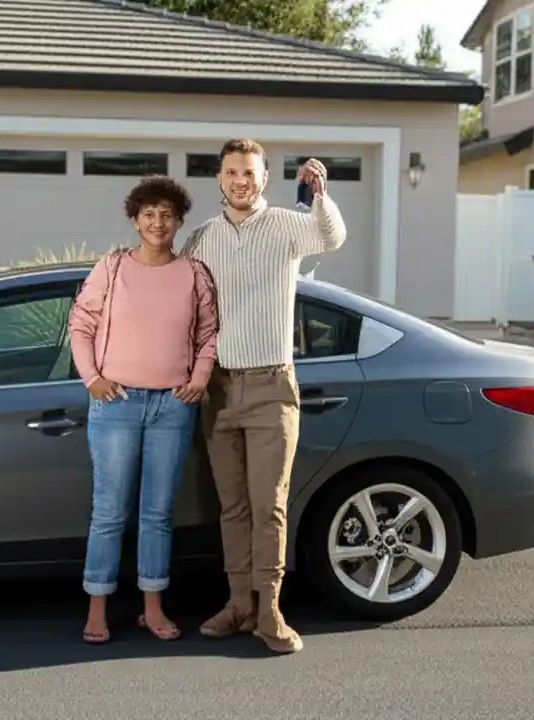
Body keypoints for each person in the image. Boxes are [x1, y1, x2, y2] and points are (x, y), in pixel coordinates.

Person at [181, 139, 347, 654]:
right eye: (232, 172)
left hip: (272, 386)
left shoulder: (286, 226)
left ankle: (270, 610)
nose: (240, 180)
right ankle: (238, 605)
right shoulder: (203, 238)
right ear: (219, 179)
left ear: (264, 177)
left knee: (269, 505)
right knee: (232, 507)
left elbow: (332, 236)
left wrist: (320, 193)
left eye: (249, 172)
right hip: (220, 390)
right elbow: (179, 299)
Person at [68, 175, 220, 645]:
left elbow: (208, 334)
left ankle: (152, 608)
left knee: (157, 514)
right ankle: (97, 608)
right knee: (110, 512)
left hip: (172, 406)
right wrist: (92, 378)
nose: (158, 222)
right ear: (135, 219)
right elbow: (81, 325)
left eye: (167, 215)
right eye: (149, 213)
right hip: (117, 404)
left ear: (178, 222)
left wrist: (198, 379)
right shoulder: (111, 268)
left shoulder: (194, 274)